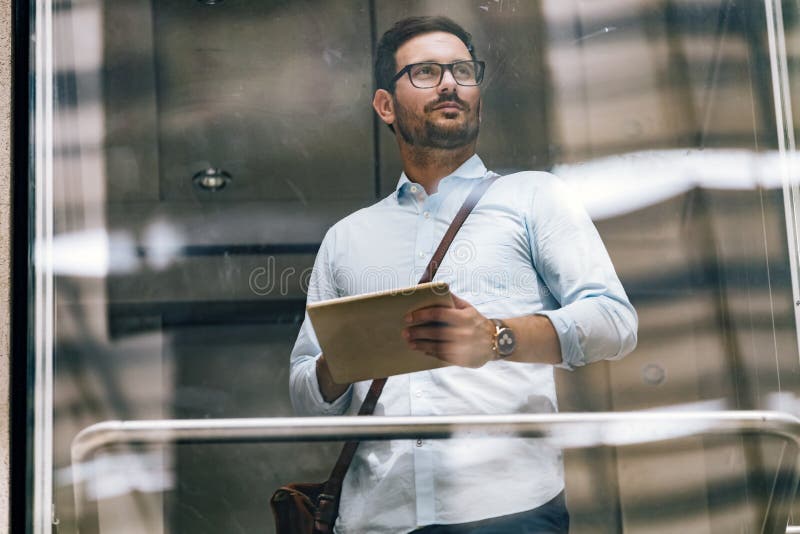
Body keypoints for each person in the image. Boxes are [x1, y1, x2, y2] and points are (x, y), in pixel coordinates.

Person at [289, 15, 637, 533]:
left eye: (462, 71)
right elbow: (304, 391)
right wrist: (344, 360)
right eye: (426, 72)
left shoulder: (534, 197)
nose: (450, 83)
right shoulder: (348, 237)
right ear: (386, 105)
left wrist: (498, 337)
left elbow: (615, 322)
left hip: (507, 510)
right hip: (376, 518)